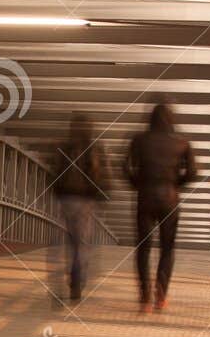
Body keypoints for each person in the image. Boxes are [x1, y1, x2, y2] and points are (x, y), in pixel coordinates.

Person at [123, 101, 198, 312]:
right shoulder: (182, 143)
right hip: (170, 199)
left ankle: (145, 297)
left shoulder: (139, 140)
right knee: (167, 248)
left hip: (145, 197)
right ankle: (161, 295)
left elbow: (125, 167)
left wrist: (137, 183)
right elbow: (193, 172)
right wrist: (175, 184)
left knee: (143, 247)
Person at [50, 113, 109, 302]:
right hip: (85, 201)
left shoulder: (63, 147)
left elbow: (54, 173)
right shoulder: (95, 148)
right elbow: (102, 175)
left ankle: (62, 282)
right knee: (81, 243)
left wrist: (57, 191)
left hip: (66, 199)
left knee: (66, 241)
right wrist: (102, 194)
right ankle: (77, 282)